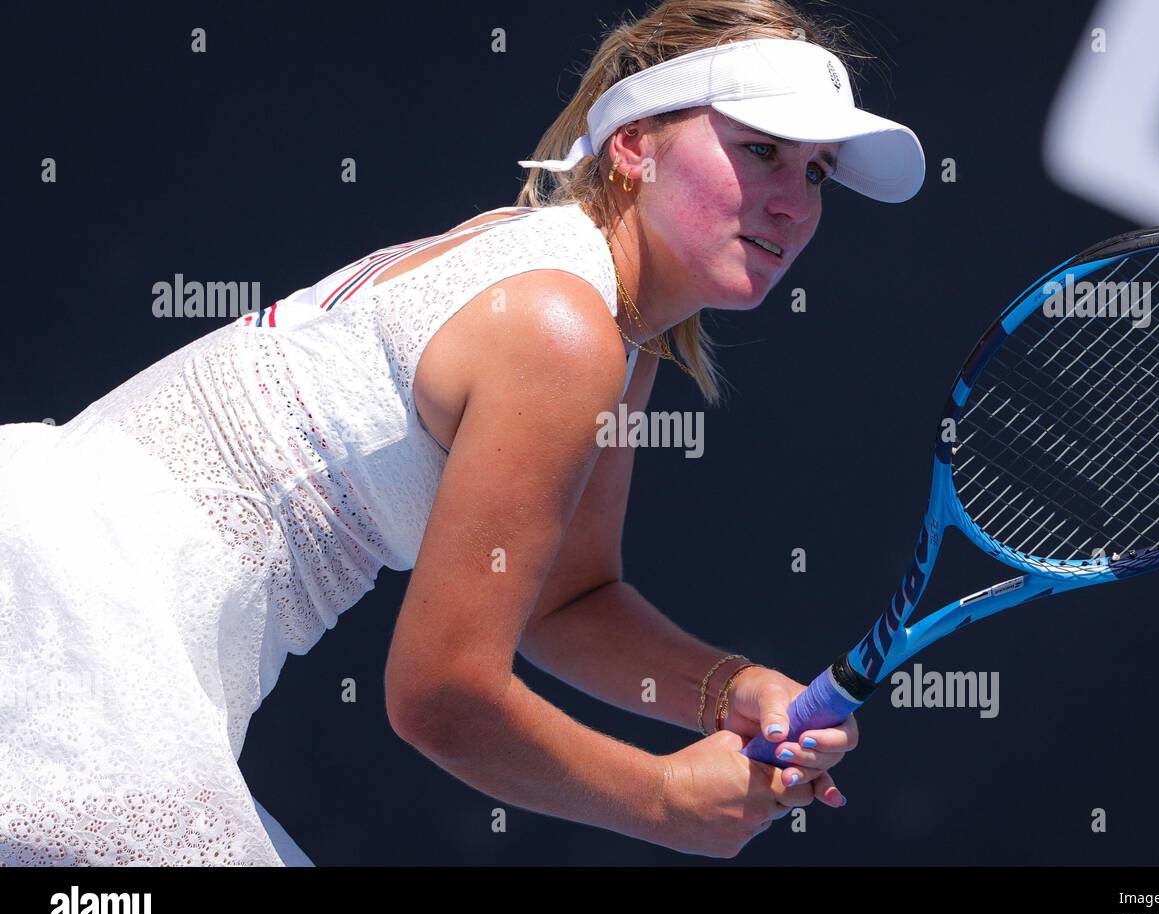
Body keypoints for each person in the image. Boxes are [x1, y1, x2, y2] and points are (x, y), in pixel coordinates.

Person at [0, 0, 923, 865]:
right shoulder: (562, 329)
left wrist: (729, 689)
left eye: (816, 173)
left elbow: (565, 601)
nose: (794, 203)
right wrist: (665, 800)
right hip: (71, 633)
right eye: (761, 150)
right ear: (635, 145)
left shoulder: (595, 318)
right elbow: (440, 697)